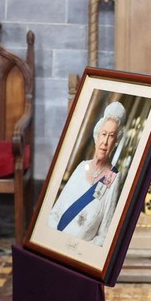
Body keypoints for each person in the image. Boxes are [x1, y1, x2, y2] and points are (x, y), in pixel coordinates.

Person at [47, 100, 126, 246]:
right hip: (55, 244)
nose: (105, 142)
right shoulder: (81, 167)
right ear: (97, 136)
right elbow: (54, 213)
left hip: (78, 256)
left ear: (116, 141)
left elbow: (104, 235)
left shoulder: (113, 178)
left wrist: (79, 251)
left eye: (111, 136)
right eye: (104, 134)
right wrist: (55, 242)